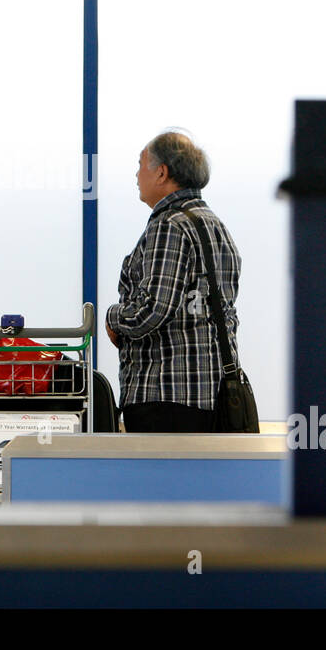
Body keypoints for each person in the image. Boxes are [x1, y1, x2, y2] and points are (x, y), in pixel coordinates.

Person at [105, 131, 242, 433]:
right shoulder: (215, 225)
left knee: (159, 481)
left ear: (162, 172)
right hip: (213, 393)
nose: (136, 175)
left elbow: (153, 308)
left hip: (165, 396)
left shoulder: (169, 227)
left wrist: (113, 317)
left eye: (140, 165)